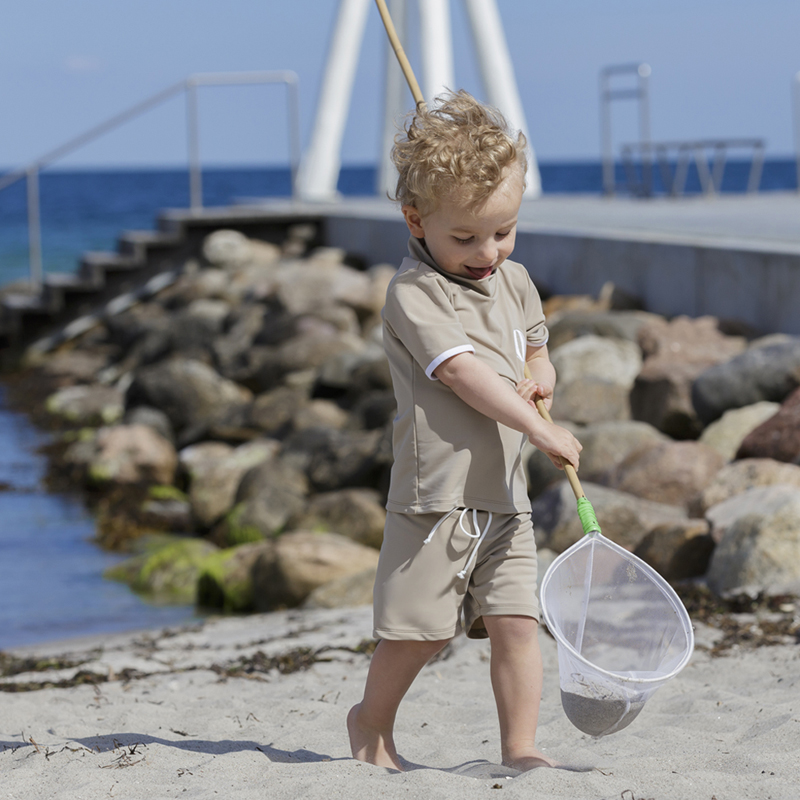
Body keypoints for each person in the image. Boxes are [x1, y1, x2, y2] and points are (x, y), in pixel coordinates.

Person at [347, 90, 582, 772]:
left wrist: (543, 381)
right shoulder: (415, 293)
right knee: (419, 633)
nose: (489, 252)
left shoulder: (514, 281)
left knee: (516, 624)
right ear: (415, 221)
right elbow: (463, 375)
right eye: (467, 237)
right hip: (438, 494)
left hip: (504, 496)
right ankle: (370, 722)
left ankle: (520, 747)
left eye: (504, 231)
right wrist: (539, 430)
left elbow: (534, 349)